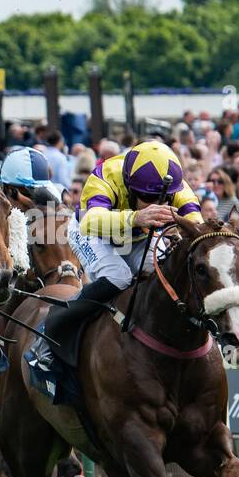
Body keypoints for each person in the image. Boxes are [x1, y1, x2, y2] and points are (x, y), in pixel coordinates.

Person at [45, 141, 203, 351]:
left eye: (164, 198)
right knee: (118, 276)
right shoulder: (105, 175)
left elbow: (199, 229)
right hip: (92, 233)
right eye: (148, 197)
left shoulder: (178, 186)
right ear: (129, 186)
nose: (156, 203)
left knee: (162, 274)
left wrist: (182, 227)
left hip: (137, 237)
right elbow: (90, 221)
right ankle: (56, 329)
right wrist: (137, 218)